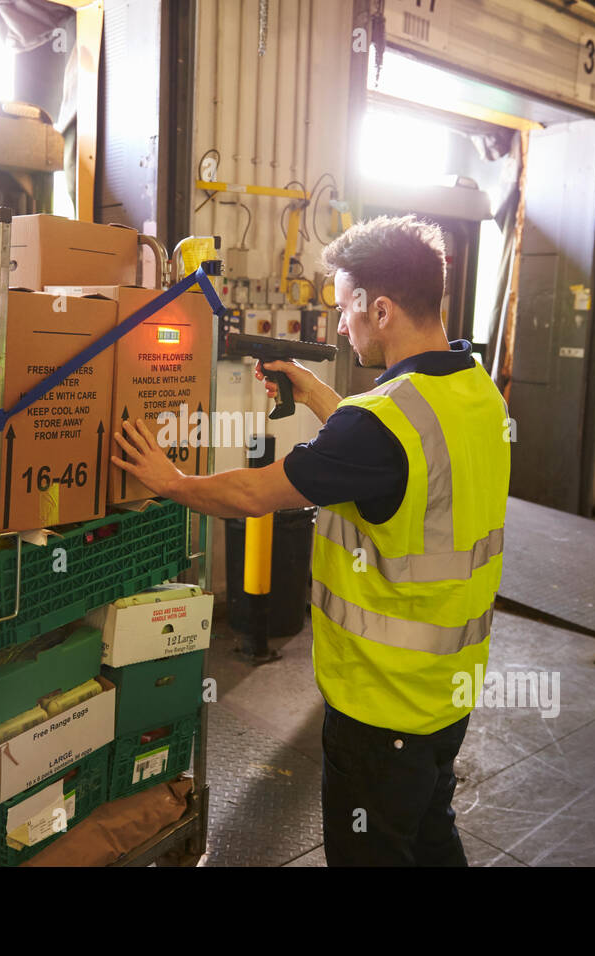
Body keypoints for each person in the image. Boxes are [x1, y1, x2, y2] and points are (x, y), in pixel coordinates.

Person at [112, 215, 511, 866]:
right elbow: (399, 462)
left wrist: (172, 481)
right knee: (431, 835)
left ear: (380, 309)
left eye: (346, 308)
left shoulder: (378, 425)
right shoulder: (475, 390)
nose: (342, 324)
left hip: (381, 708)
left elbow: (254, 495)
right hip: (448, 693)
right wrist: (323, 396)